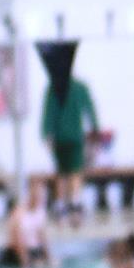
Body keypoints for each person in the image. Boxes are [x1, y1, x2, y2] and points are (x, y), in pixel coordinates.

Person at [40, 72, 99, 223]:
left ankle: (61, 204)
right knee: (74, 171)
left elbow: (48, 113)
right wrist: (95, 130)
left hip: (61, 136)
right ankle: (74, 203)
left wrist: (46, 133)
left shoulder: (54, 88)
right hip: (74, 136)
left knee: (62, 172)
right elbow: (90, 110)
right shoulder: (78, 87)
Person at [0, 177, 54, 268]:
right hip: (15, 252)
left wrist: (48, 257)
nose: (38, 198)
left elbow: (42, 236)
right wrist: (25, 261)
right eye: (36, 195)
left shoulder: (40, 212)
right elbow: (17, 239)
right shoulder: (19, 213)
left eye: (41, 195)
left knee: (50, 264)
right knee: (36, 265)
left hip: (33, 250)